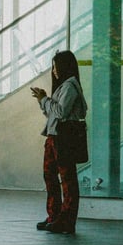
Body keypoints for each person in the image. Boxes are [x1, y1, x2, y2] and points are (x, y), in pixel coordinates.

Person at [30, 50, 87, 234]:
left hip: (64, 137)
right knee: (51, 176)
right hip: (55, 136)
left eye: (56, 66)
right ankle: (55, 216)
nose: (54, 70)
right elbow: (53, 113)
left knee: (67, 180)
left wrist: (45, 100)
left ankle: (66, 220)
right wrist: (44, 100)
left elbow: (60, 112)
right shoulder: (63, 86)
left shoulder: (70, 86)